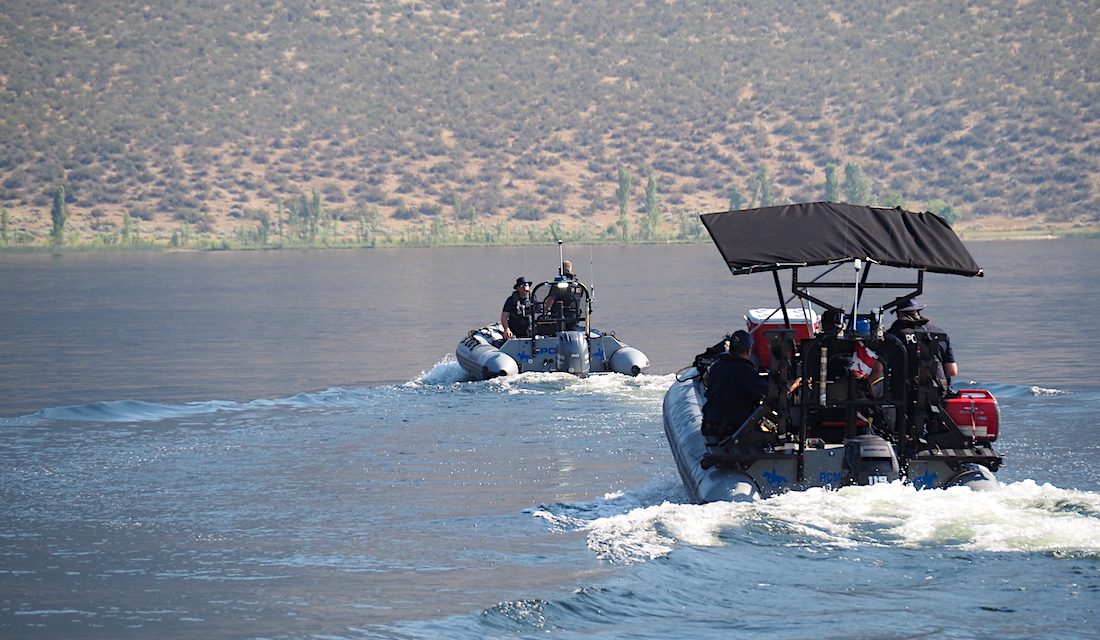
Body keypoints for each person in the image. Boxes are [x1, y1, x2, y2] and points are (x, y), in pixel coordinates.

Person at [701, 330, 769, 440]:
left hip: (709, 426)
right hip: (730, 430)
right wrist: (791, 386)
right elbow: (769, 392)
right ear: (749, 350)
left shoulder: (716, 366)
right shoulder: (745, 371)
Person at [886, 298, 957, 386]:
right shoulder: (939, 333)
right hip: (939, 390)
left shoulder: (893, 335)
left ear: (899, 314)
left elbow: (878, 369)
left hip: (904, 393)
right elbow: (952, 371)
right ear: (918, 311)